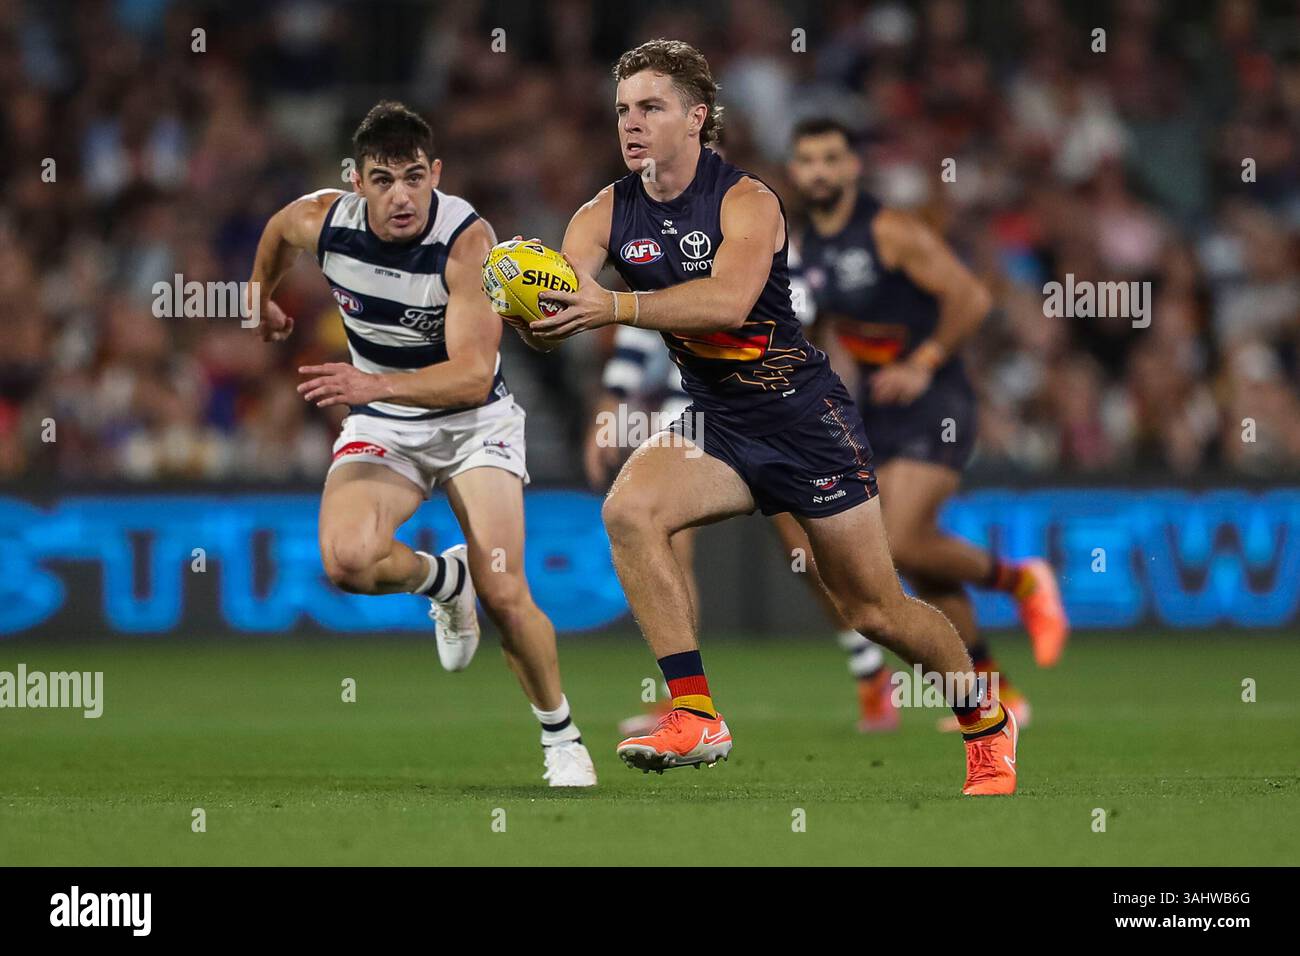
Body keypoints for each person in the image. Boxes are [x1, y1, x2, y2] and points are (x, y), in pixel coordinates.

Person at [509, 40, 1016, 794]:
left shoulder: (749, 200)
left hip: (806, 421)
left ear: (697, 117)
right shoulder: (607, 210)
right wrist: (528, 304)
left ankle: (985, 720)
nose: (632, 123)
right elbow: (565, 292)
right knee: (630, 511)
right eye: (622, 110)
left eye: (651, 107)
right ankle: (695, 711)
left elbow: (726, 302)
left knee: (874, 609)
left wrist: (609, 306)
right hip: (719, 421)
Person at [247, 101, 596, 787]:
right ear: (357, 183)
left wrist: (369, 386)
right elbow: (279, 232)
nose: (402, 195)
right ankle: (444, 580)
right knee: (347, 561)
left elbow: (469, 378)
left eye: (414, 177)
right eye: (383, 179)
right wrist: (258, 293)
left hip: (474, 425)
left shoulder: (467, 240)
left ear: (436, 172)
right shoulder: (322, 221)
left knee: (504, 589)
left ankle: (562, 737)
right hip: (385, 424)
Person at [786, 117, 1070, 733]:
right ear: (795, 170)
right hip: (879, 413)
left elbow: (970, 296)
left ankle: (1022, 579)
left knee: (896, 543)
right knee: (918, 564)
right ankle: (1002, 696)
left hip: (936, 400)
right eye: (807, 160)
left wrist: (922, 361)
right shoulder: (809, 246)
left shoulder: (889, 230)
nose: (820, 171)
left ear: (852, 167)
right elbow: (817, 331)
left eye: (831, 158)